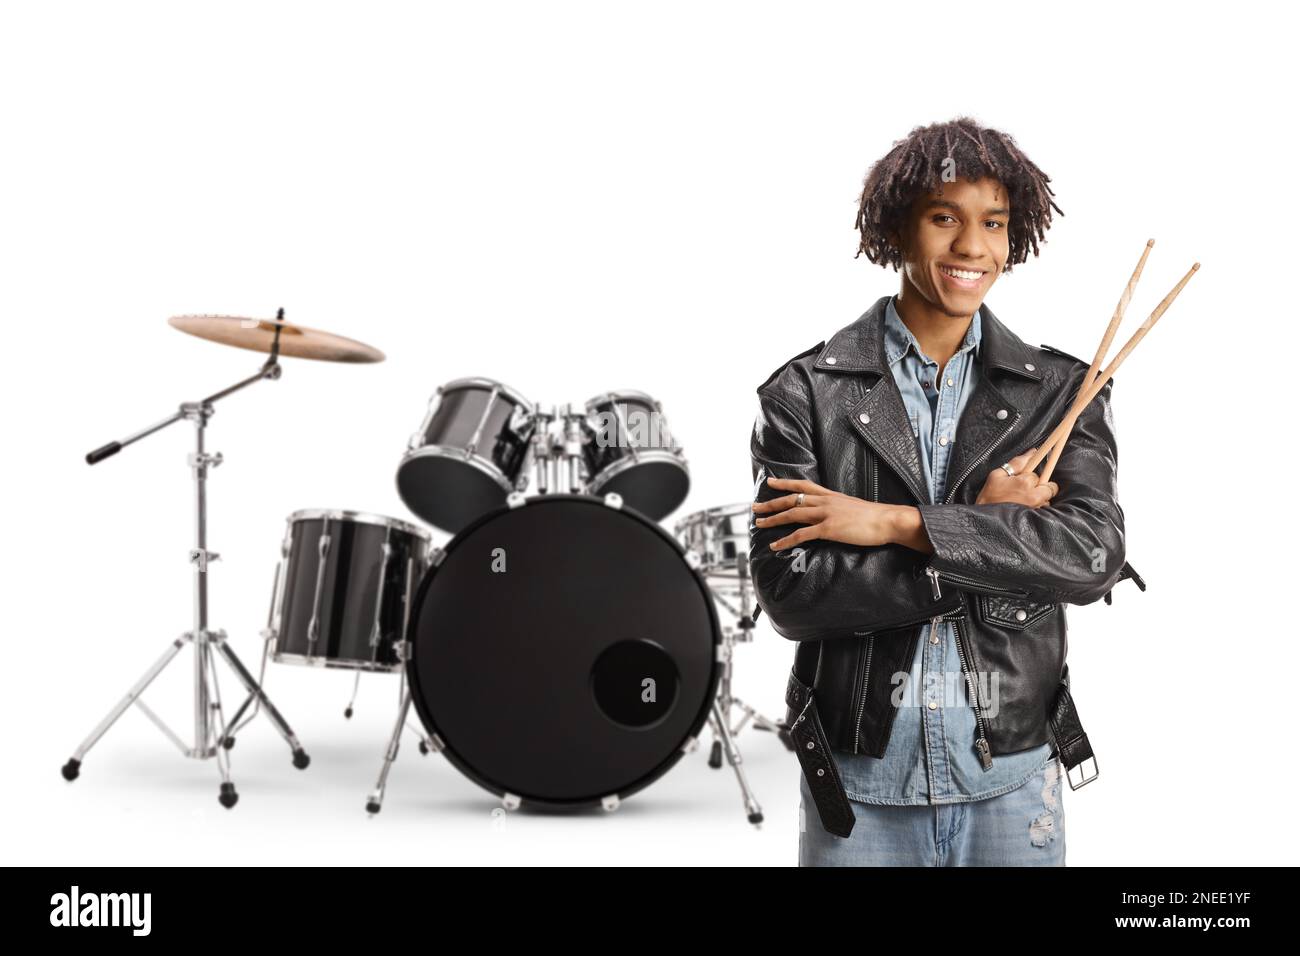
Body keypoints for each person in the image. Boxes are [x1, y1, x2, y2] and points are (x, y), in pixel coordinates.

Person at [748, 116, 1144, 866]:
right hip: (857, 786)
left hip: (1014, 776)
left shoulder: (1063, 391)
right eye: (944, 219)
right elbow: (791, 595)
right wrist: (984, 532)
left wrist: (896, 523)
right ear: (898, 229)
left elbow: (1090, 556)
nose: (972, 246)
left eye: (993, 223)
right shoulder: (804, 394)